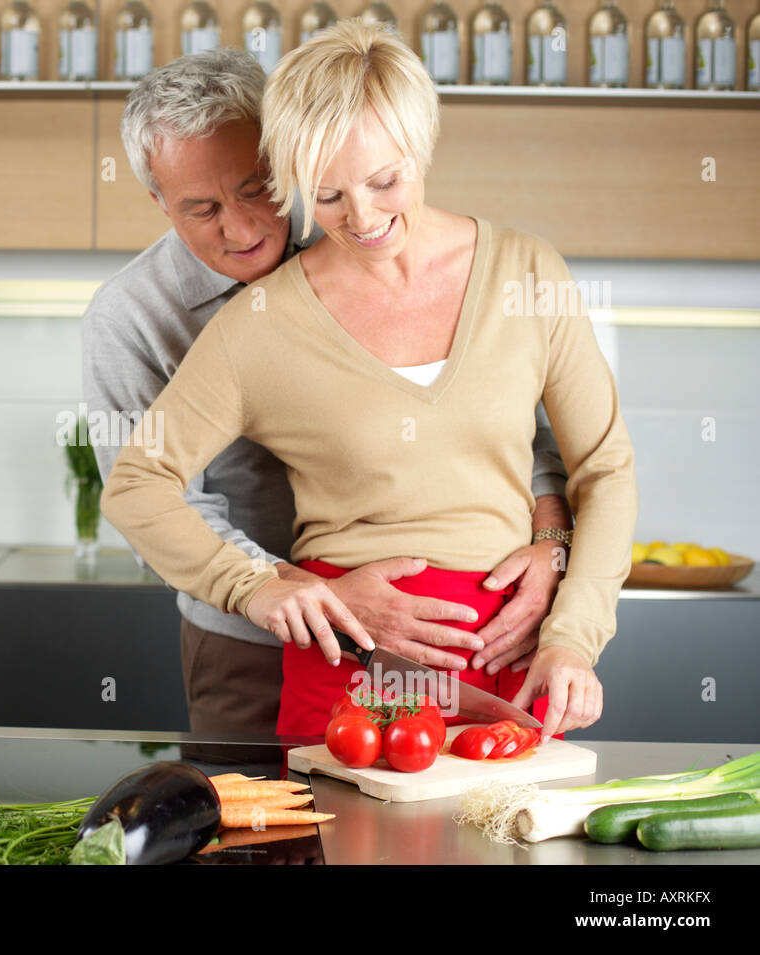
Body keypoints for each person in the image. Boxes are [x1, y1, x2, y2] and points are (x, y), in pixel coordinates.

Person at [83, 46, 581, 740]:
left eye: (258, 186)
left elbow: (501, 412)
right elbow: (151, 501)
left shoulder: (364, 228)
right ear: (159, 201)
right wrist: (304, 592)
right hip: (248, 642)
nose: (243, 226)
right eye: (202, 208)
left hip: (443, 627)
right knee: (265, 838)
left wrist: (551, 534)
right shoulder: (129, 316)